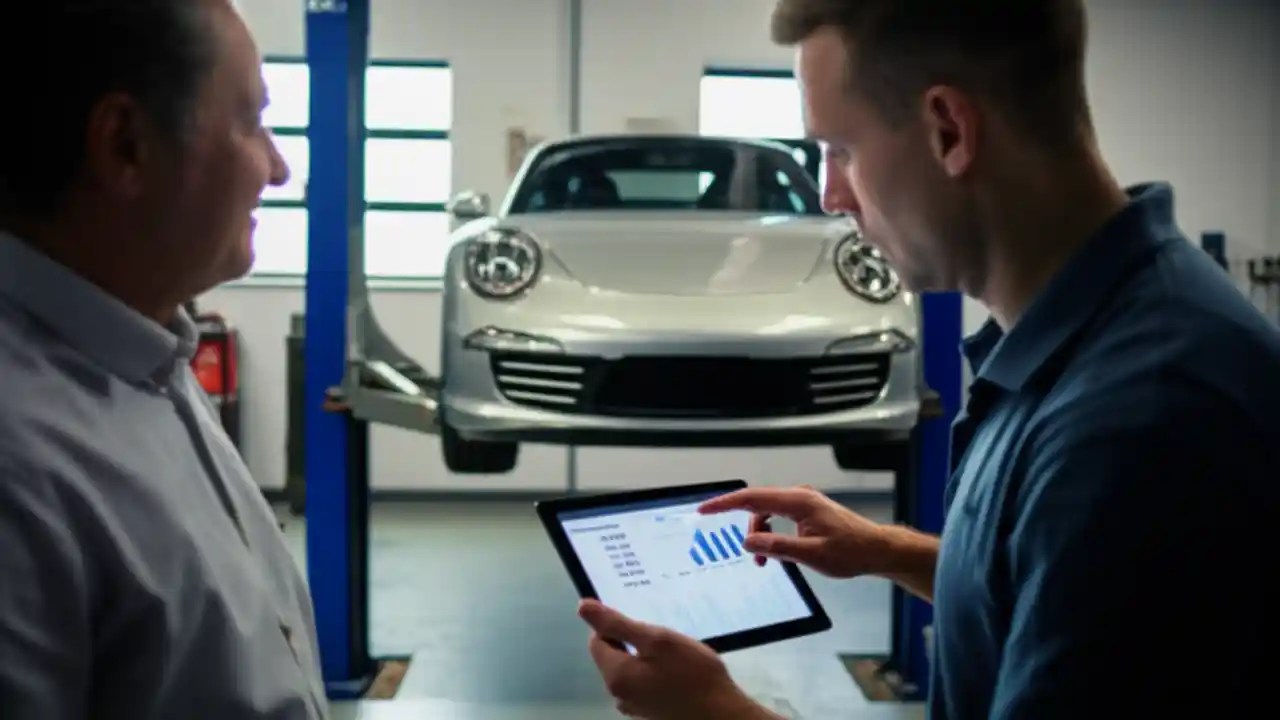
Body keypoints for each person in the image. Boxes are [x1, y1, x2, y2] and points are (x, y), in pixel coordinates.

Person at [576, 1, 1280, 718]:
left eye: (840, 150)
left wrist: (715, 712)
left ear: (949, 131)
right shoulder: (1096, 342)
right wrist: (886, 551)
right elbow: (1058, 587)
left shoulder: (1145, 424)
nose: (831, 196)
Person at [0, 1, 328, 718]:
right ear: (126, 146)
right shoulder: (21, 458)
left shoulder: (149, 358)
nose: (277, 168)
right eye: (251, 121)